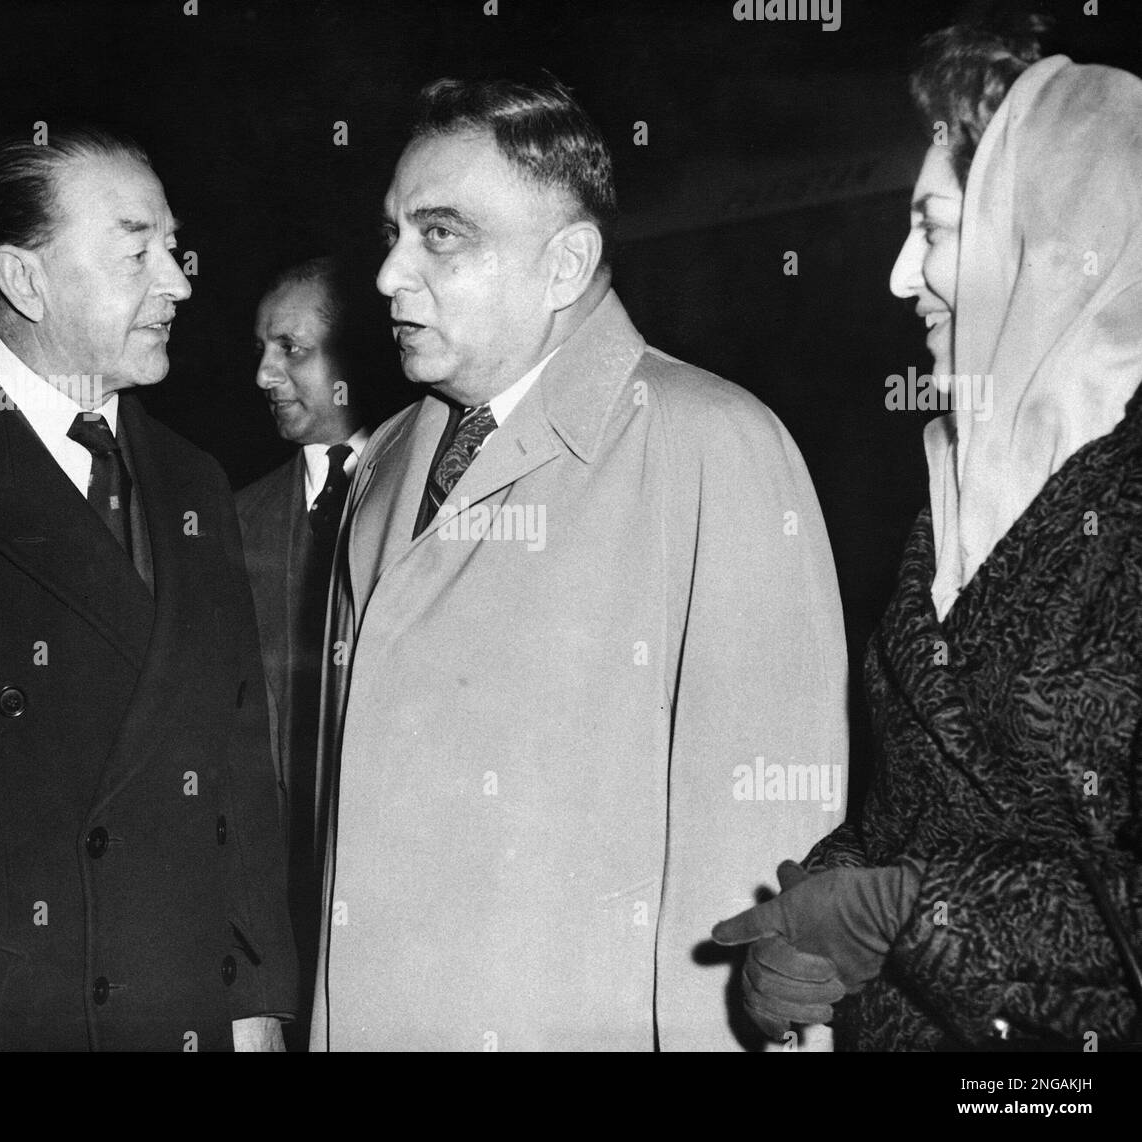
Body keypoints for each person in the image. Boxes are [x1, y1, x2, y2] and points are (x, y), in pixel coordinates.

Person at [311, 75, 848, 1051]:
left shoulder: (713, 445)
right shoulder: (383, 462)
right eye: (392, 232)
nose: (388, 273)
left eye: (439, 235)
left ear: (565, 265)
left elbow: (757, 879)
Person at [714, 17, 1142, 1050]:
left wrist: (901, 911)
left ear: (1043, 234)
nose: (901, 275)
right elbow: (931, 802)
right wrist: (819, 897)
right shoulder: (961, 490)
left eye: (936, 229)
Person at [0, 126, 297, 1051]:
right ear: (25, 280)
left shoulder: (194, 478)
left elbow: (236, 762)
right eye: (139, 251)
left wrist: (254, 998)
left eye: (173, 247)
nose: (179, 281)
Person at [236, 256, 370, 1050]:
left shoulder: (450, 496)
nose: (263, 373)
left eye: (291, 348)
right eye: (261, 346)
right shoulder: (230, 521)